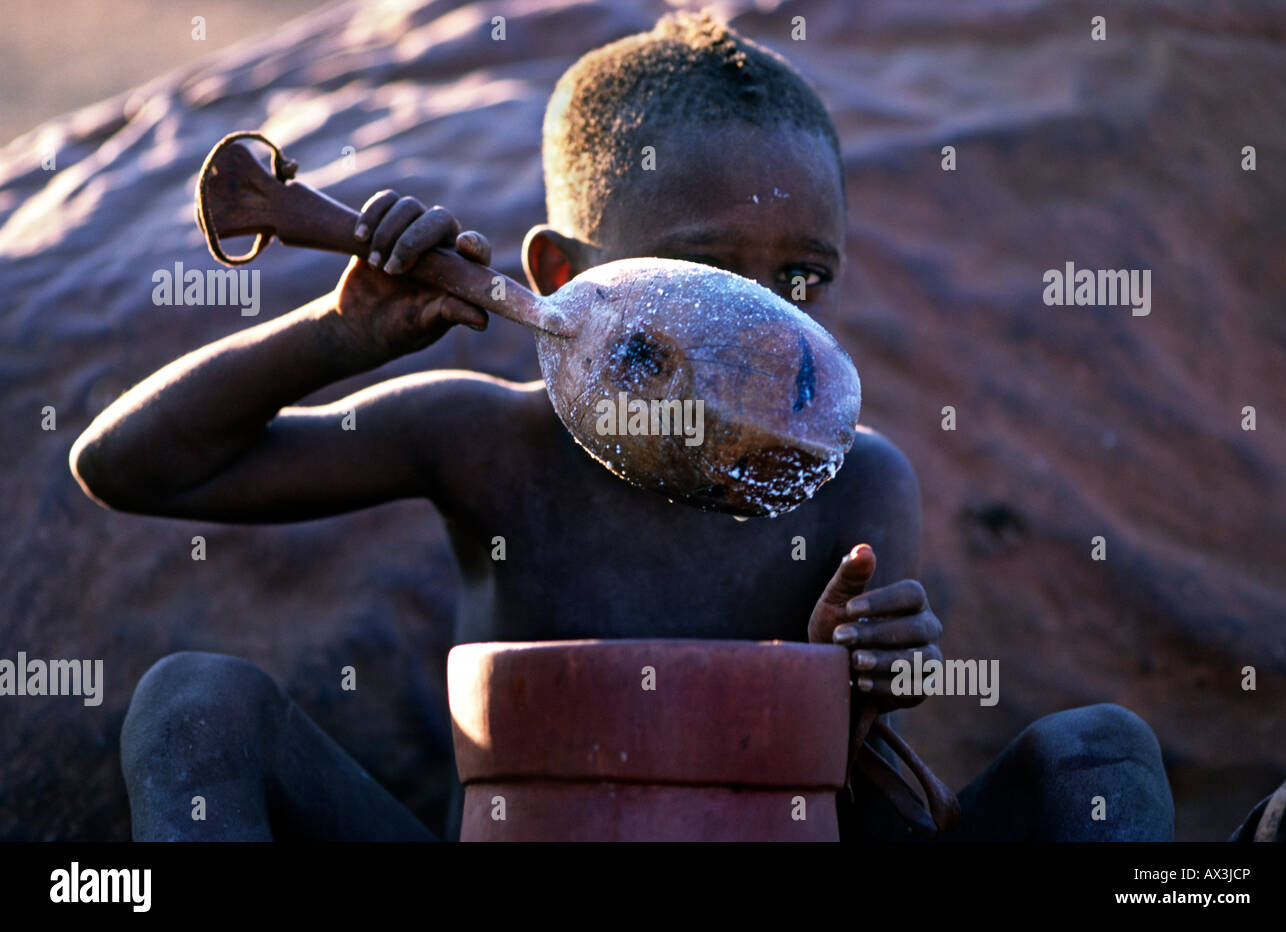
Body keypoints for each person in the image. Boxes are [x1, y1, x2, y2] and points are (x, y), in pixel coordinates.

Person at [70, 11, 1174, 841]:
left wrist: (857, 688)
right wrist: (332, 335)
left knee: (1098, 753)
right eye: (700, 275)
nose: (760, 324)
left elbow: (842, 800)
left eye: (802, 277)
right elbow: (128, 465)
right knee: (196, 703)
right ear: (561, 277)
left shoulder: (850, 482)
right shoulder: (482, 440)